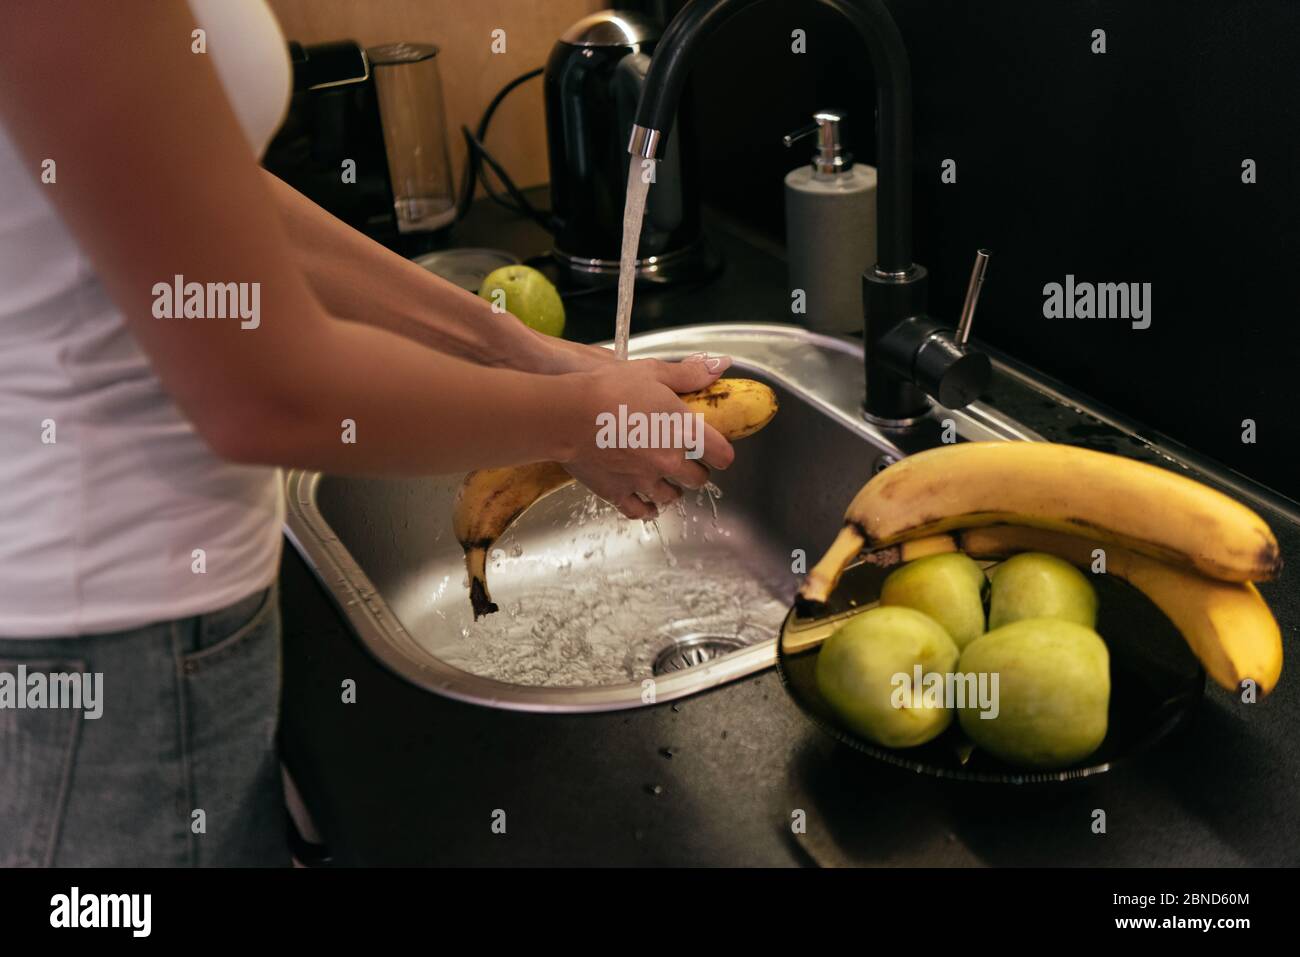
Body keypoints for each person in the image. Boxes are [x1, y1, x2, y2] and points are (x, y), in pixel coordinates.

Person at [0, 0, 734, 866]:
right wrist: (577, 420)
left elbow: (217, 198)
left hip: (145, 628)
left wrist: (535, 358)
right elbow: (264, 391)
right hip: (105, 651)